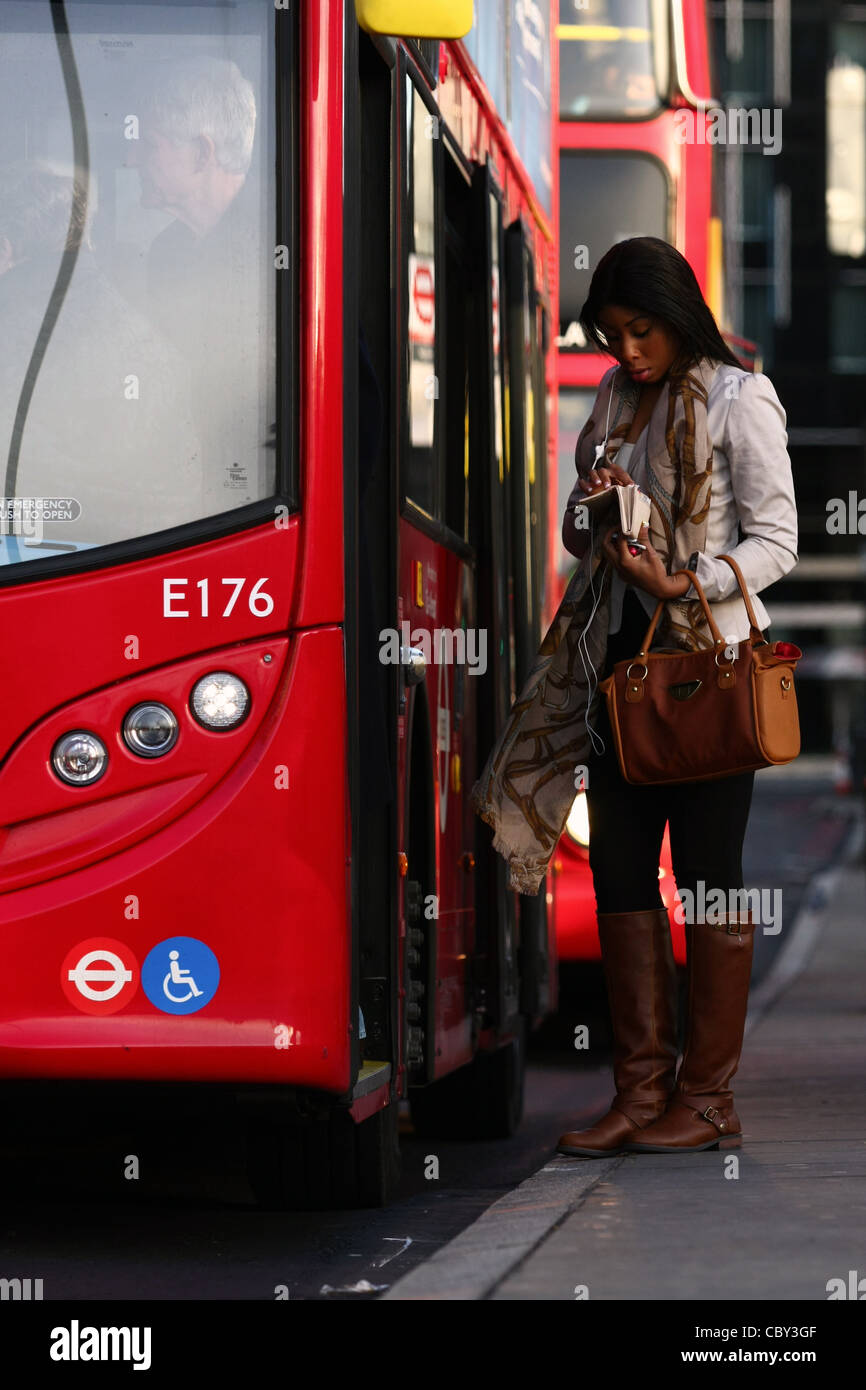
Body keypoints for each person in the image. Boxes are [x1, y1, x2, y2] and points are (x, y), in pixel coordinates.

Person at [554, 236, 798, 1156]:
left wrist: (686, 580)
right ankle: (642, 1093)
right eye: (614, 334)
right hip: (622, 667)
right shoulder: (615, 399)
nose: (628, 351)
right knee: (620, 872)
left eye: (641, 330)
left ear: (677, 314)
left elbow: (780, 539)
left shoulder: (742, 399)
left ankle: (708, 1099)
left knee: (709, 879)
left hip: (710, 666)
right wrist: (597, 504)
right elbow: (583, 539)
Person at [128, 56, 273, 515]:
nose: (132, 159)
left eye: (148, 145)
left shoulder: (288, 232)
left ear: (201, 153)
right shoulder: (167, 254)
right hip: (190, 499)